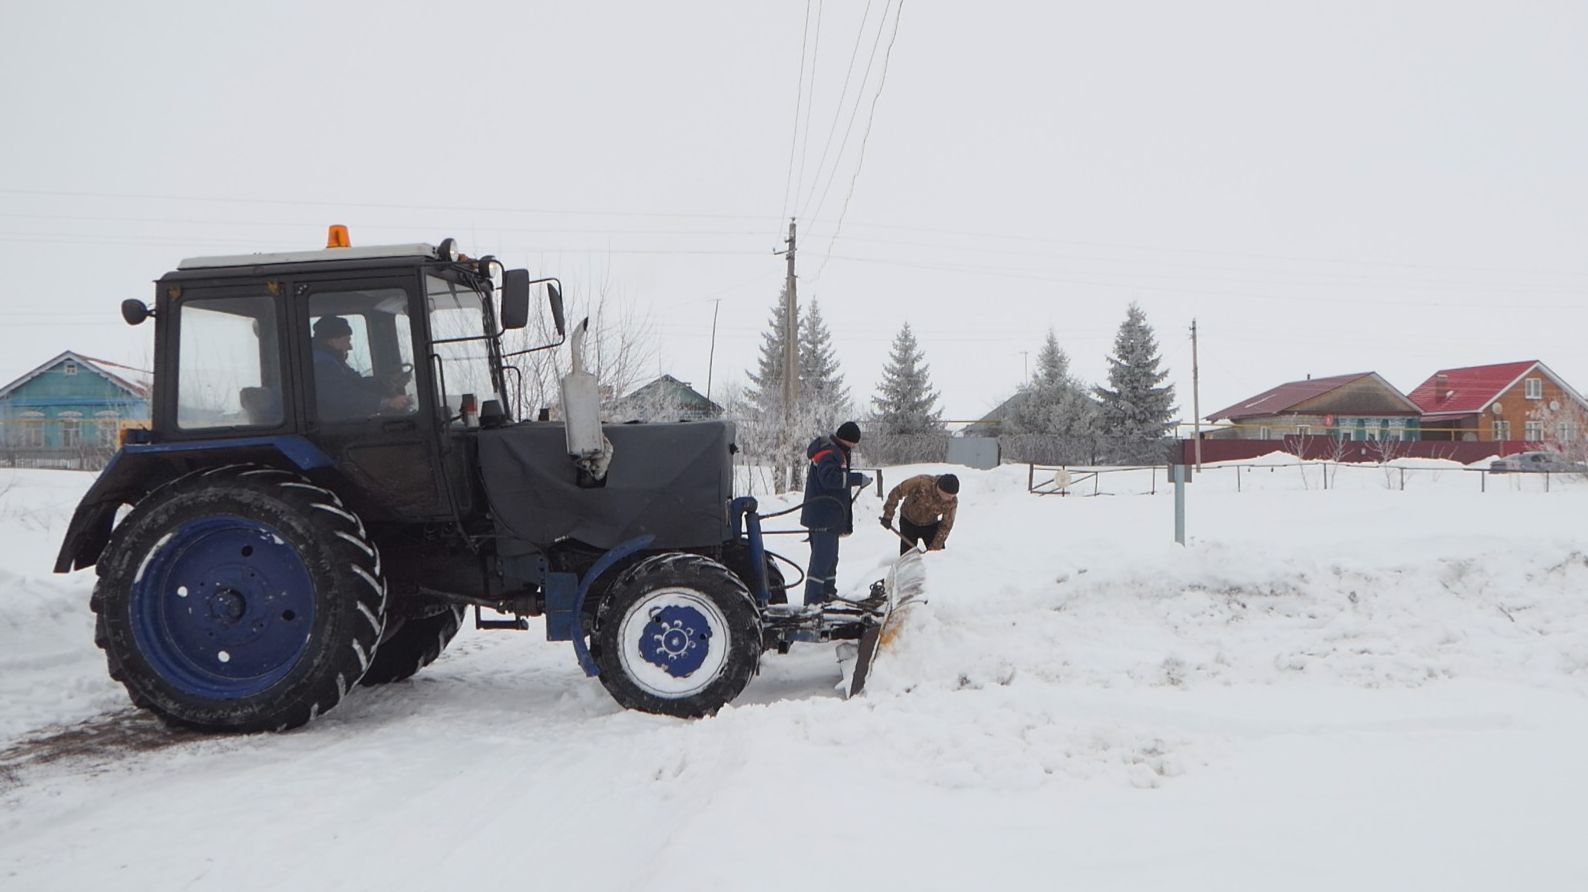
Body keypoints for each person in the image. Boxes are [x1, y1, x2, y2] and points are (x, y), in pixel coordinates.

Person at [799, 420, 872, 606]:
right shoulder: (830, 453)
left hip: (830, 517)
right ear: (849, 440)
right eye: (855, 442)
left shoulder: (836, 452)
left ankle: (828, 594)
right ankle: (813, 601)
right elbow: (829, 479)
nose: (855, 446)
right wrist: (856, 479)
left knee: (831, 559)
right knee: (822, 561)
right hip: (823, 516)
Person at [311, 316, 411, 419]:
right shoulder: (321, 364)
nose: (350, 346)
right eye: (346, 340)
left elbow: (357, 382)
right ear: (332, 341)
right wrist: (387, 403)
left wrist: (387, 382)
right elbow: (344, 397)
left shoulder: (334, 362)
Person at [881, 473, 959, 554]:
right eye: (947, 496)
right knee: (908, 555)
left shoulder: (952, 502)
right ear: (939, 488)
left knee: (937, 555)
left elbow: (946, 526)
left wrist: (934, 549)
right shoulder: (921, 482)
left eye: (952, 496)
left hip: (930, 525)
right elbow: (897, 492)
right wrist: (888, 516)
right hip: (908, 521)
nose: (950, 499)